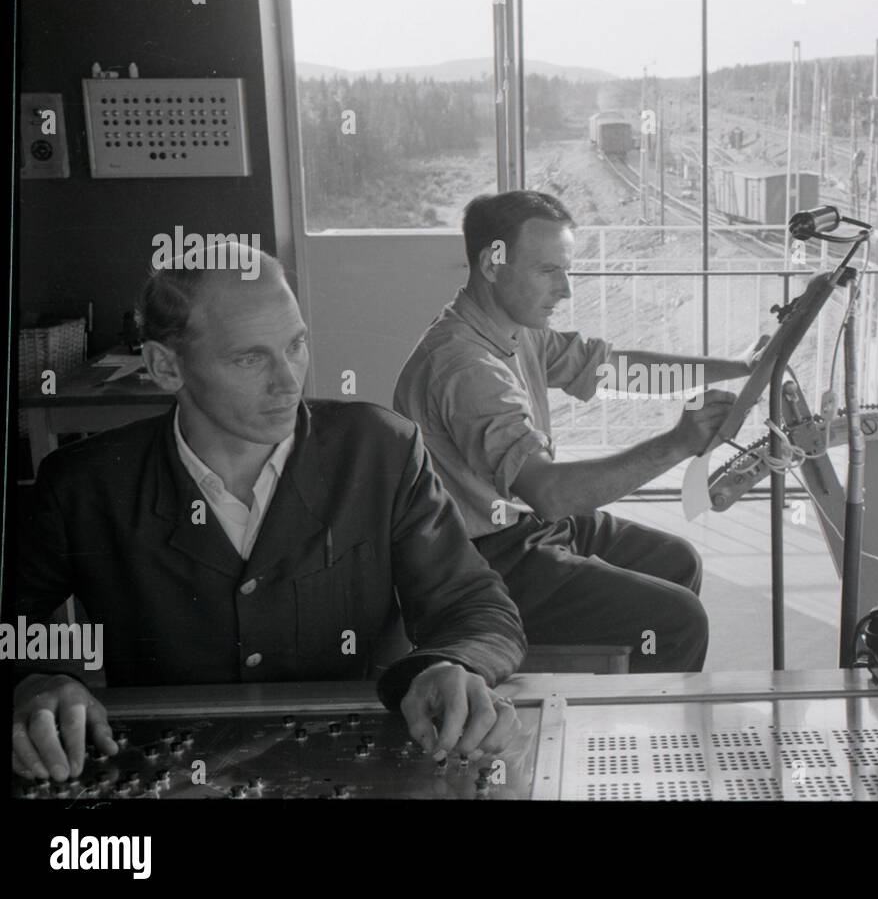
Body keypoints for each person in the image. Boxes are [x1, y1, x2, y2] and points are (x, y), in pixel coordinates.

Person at [10, 244, 527, 783]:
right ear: (166, 366)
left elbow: (474, 605)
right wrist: (33, 679)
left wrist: (450, 664)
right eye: (249, 359)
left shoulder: (379, 449)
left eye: (295, 345)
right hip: (166, 776)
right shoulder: (84, 485)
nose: (289, 382)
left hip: (358, 766)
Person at [394, 191, 763, 674]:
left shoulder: (513, 328)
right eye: (548, 271)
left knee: (677, 560)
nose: (565, 290)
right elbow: (551, 494)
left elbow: (615, 370)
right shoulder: (465, 367)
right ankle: (630, 715)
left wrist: (739, 367)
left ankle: (629, 697)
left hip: (523, 527)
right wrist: (677, 444)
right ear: (491, 263)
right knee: (677, 620)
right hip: (481, 559)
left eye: (565, 270)